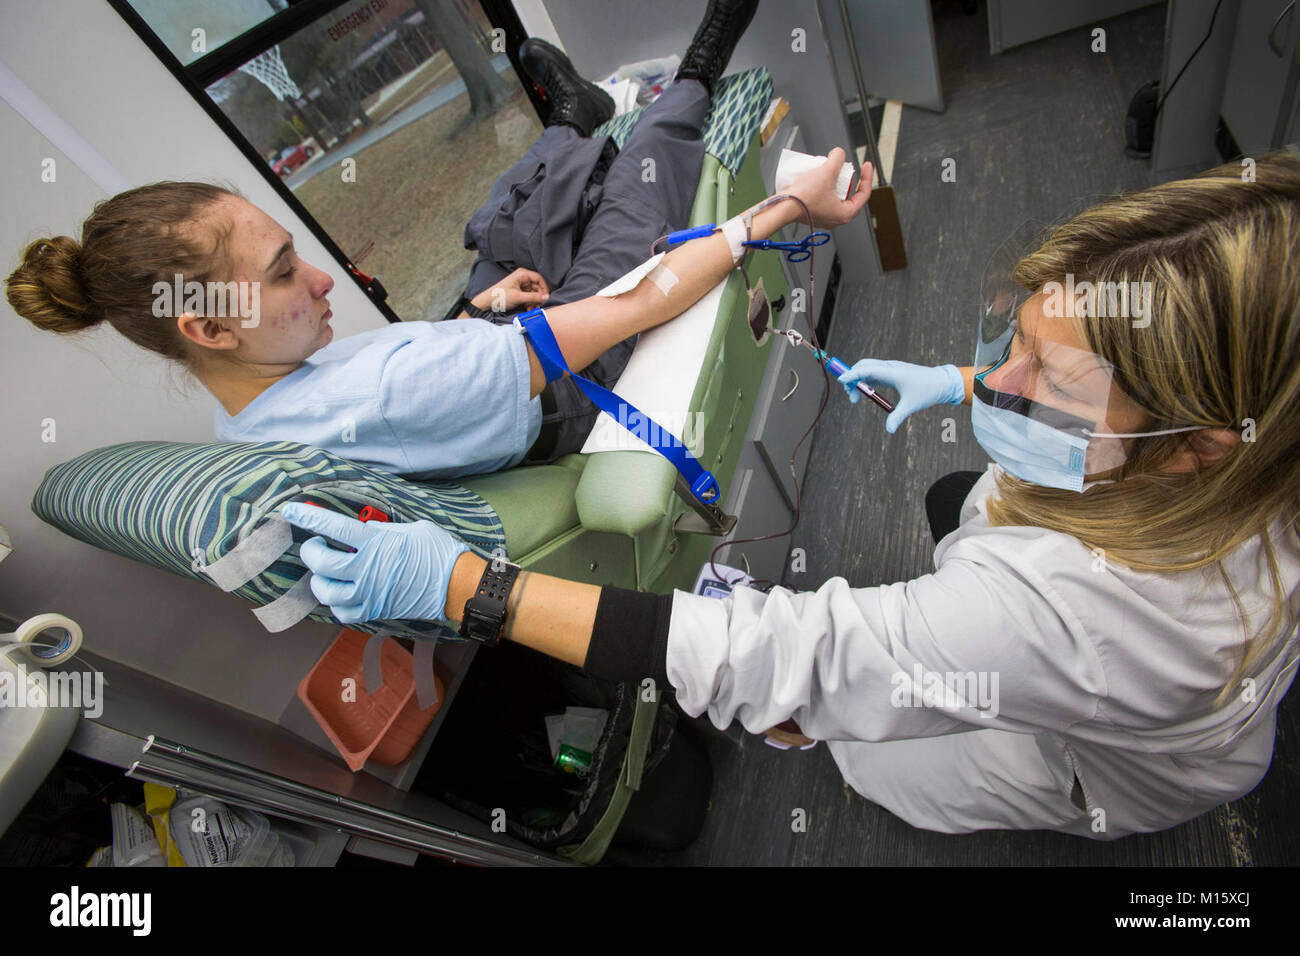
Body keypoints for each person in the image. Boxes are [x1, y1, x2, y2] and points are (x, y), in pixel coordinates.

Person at [281, 153, 1300, 840]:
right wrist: (956, 382)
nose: (1003, 379)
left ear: (1194, 447)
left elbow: (777, 660)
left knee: (857, 752)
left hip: (1118, 753)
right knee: (958, 495)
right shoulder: (1261, 432)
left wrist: (473, 588)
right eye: (1017, 343)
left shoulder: (1075, 613)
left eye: (1053, 379)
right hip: (1142, 635)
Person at [6, 0, 779, 481]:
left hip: (486, 366)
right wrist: (768, 218)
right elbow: (638, 305)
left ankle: (574, 117)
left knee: (501, 227)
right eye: (283, 273)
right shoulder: (373, 395)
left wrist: (479, 314)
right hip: (567, 392)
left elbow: (417, 391)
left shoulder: (247, 408)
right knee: (627, 216)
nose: (321, 281)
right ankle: (698, 72)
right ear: (207, 325)